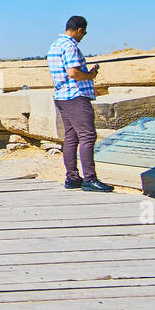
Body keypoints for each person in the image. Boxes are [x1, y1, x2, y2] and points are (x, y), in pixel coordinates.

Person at [48, 15, 113, 192]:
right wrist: (91, 75)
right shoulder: (70, 47)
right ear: (79, 30)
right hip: (75, 96)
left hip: (61, 96)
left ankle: (72, 178)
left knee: (71, 137)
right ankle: (90, 179)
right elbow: (73, 72)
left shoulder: (54, 45)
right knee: (87, 136)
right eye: (84, 33)